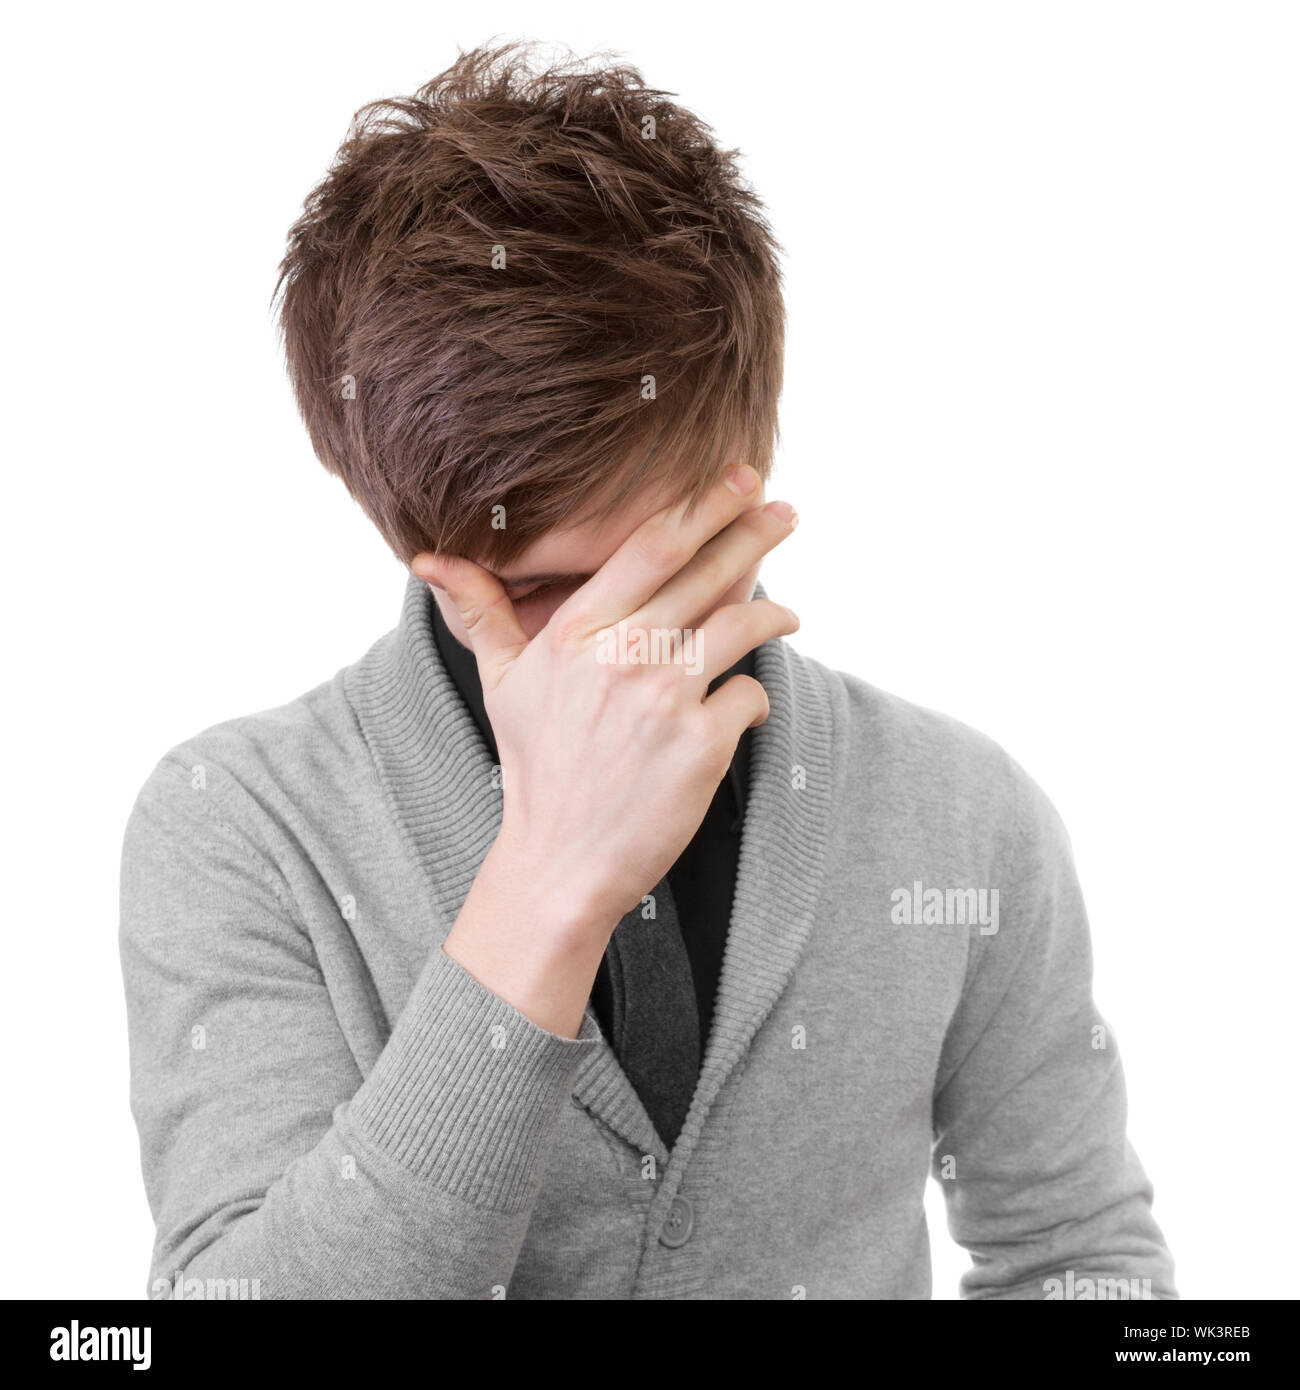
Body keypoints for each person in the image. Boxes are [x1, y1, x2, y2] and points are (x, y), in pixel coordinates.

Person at [119, 41, 1176, 1300]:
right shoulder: (240, 824)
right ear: (418, 549)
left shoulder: (962, 809)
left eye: (674, 564)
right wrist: (543, 889)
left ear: (754, 466)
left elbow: (1079, 1257)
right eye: (548, 593)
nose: (621, 651)